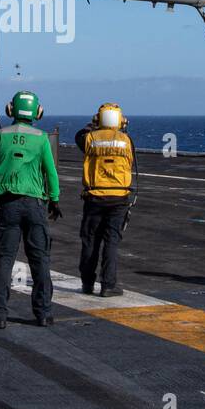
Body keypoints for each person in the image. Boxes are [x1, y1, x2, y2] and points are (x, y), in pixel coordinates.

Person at [0, 90, 61, 328]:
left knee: (4, 260)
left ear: (11, 110)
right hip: (35, 205)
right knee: (40, 261)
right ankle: (44, 314)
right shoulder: (41, 138)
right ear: (38, 111)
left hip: (7, 204)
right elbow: (51, 172)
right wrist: (54, 200)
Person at [75, 102, 135, 297]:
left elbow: (78, 137)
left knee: (90, 241)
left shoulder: (90, 138)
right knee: (111, 242)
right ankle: (108, 285)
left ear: (98, 119)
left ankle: (87, 283)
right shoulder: (126, 141)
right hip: (119, 197)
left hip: (95, 197)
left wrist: (91, 126)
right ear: (121, 120)